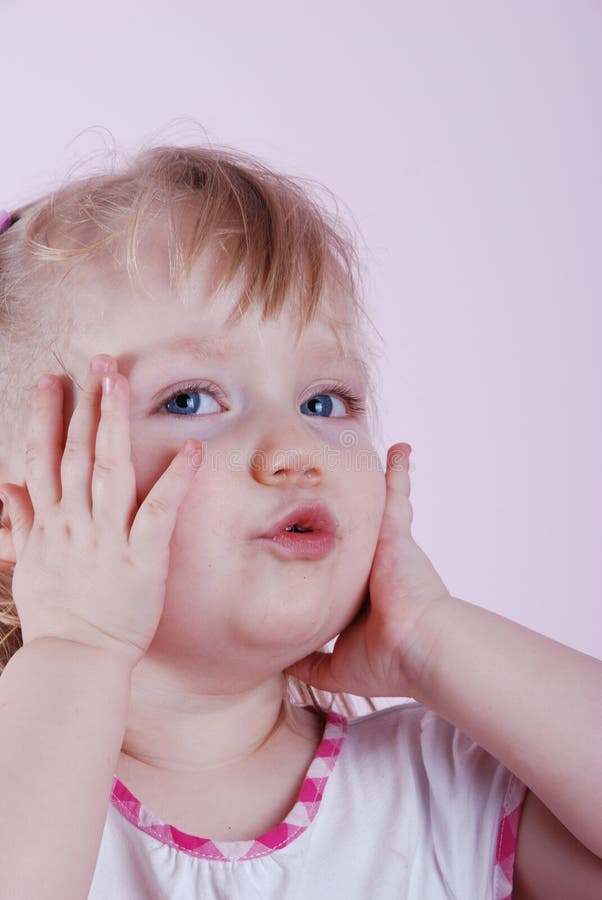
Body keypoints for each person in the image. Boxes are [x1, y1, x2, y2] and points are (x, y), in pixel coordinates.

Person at [0, 145, 600, 900]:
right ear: (12, 513)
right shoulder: (24, 802)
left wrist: (431, 639)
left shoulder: (441, 789)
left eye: (325, 402)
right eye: (188, 399)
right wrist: (78, 647)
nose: (296, 450)